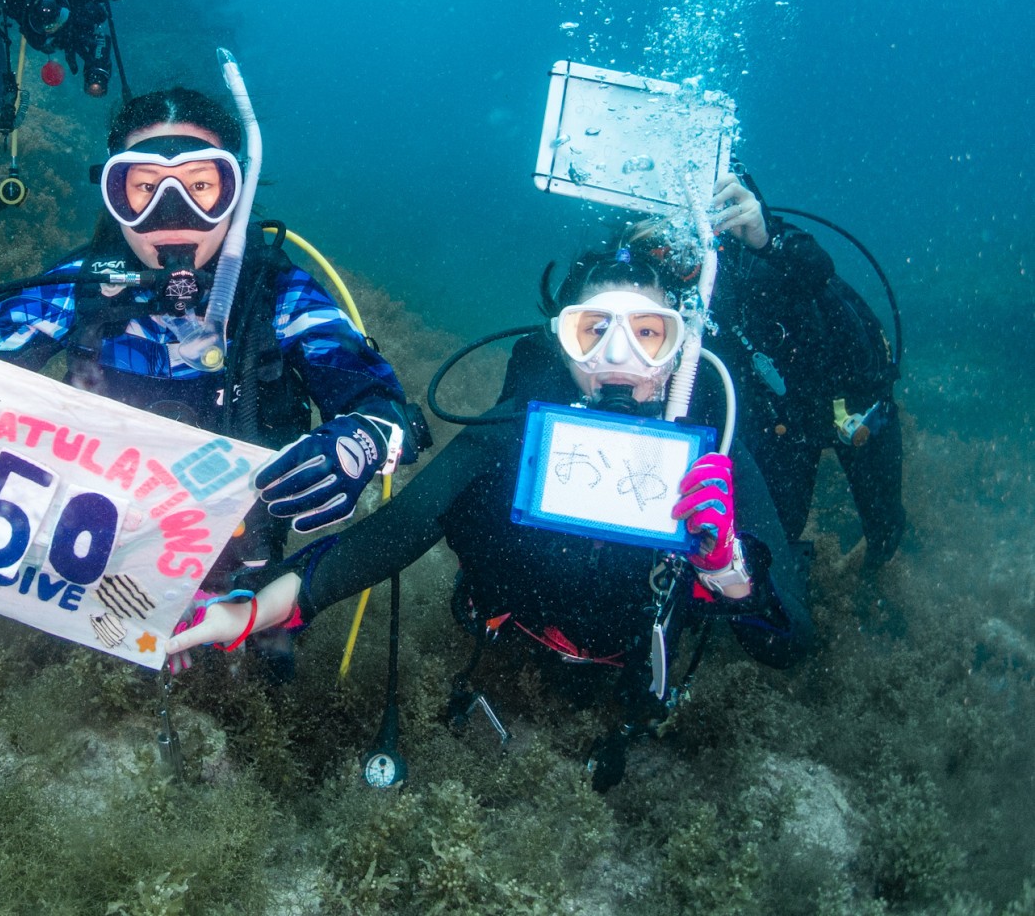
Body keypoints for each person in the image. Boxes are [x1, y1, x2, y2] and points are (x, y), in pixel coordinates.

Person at [0, 85, 428, 671]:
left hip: (242, 583)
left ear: (236, 193)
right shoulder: (76, 289)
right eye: (143, 187)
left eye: (200, 186)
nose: (172, 213)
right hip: (82, 579)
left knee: (264, 691)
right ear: (114, 196)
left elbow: (385, 409)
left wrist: (362, 441)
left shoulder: (279, 295)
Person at [169, 246, 814, 786]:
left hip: (634, 671)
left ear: (680, 348)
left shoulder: (715, 458)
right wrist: (250, 610)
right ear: (562, 342)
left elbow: (786, 644)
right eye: (593, 331)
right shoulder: (511, 434)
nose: (618, 358)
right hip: (507, 638)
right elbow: (390, 534)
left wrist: (727, 566)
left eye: (648, 334)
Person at [500, 171, 906, 566]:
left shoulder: (751, 259)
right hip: (758, 416)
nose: (672, 258)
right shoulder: (631, 273)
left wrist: (767, 240)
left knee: (875, 523)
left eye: (684, 244)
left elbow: (816, 270)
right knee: (767, 527)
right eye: (655, 248)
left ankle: (876, 556)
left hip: (841, 394)